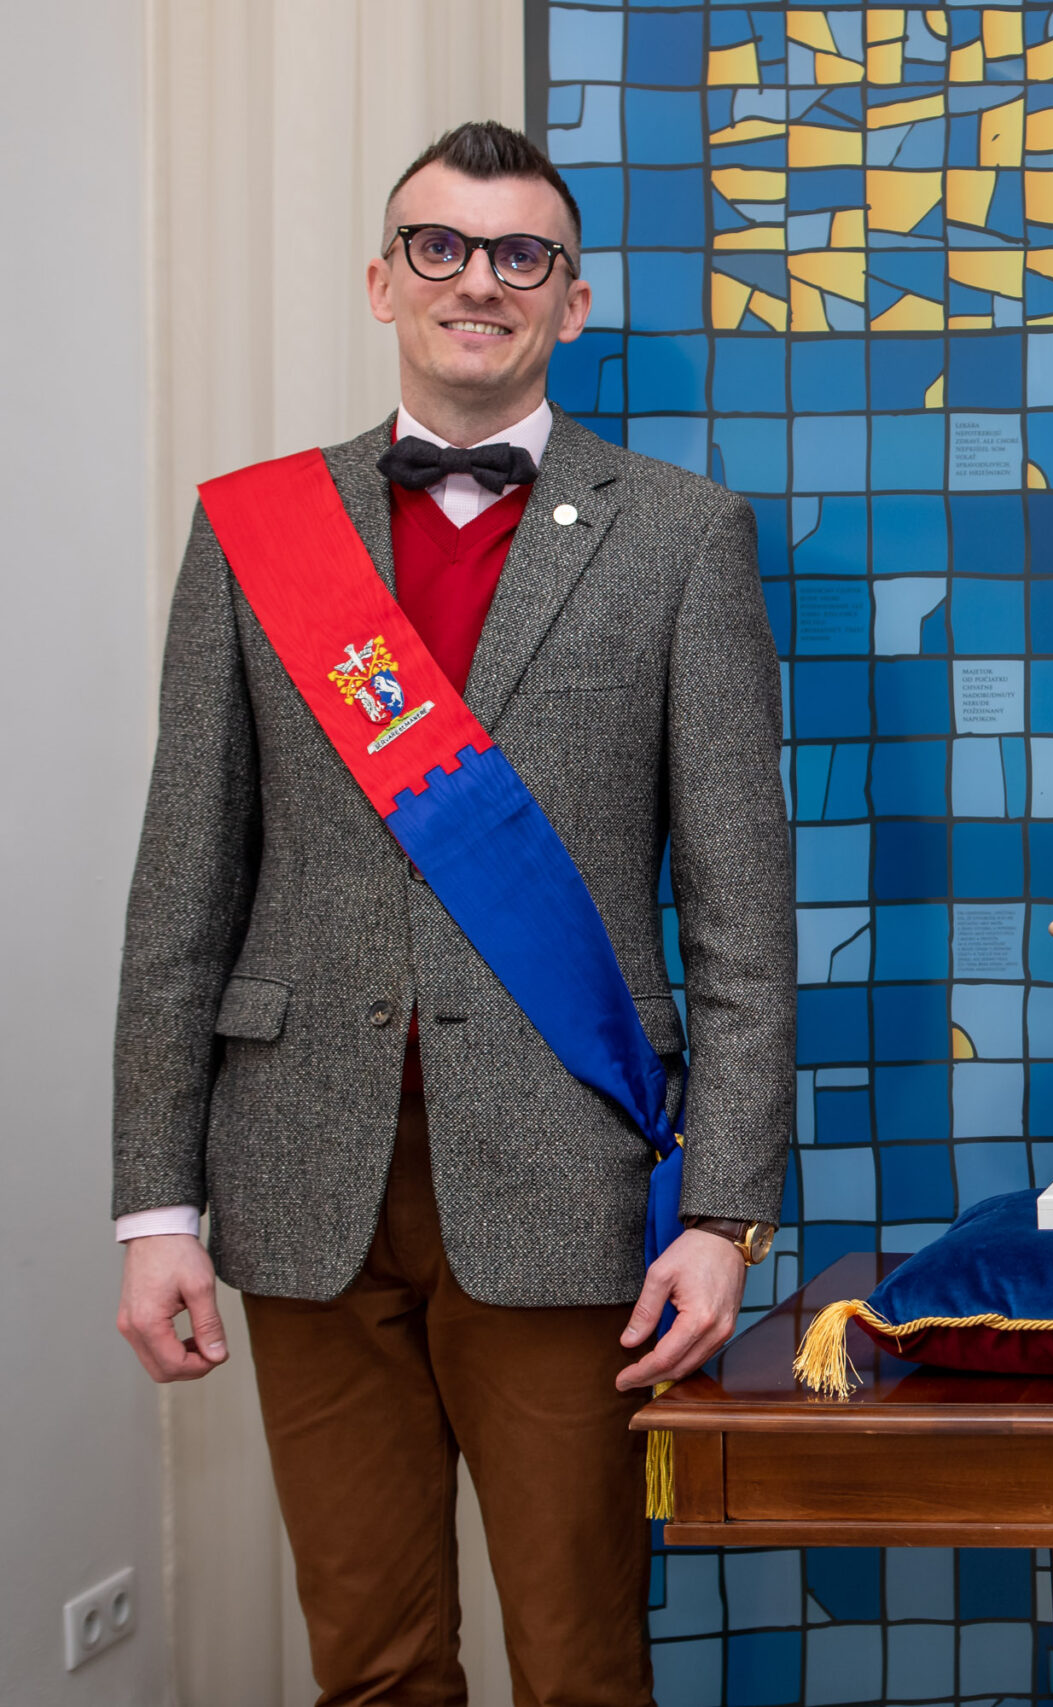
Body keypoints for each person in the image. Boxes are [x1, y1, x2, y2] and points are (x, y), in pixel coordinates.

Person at [111, 121, 794, 1704]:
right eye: (440, 245)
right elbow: (183, 885)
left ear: (571, 300)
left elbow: (745, 910)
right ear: (380, 280)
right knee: (372, 1664)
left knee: (580, 1662)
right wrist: (157, 1208)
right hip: (298, 1179)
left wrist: (725, 1212)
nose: (477, 281)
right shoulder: (256, 533)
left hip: (561, 1186)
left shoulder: (684, 536)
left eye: (521, 256)